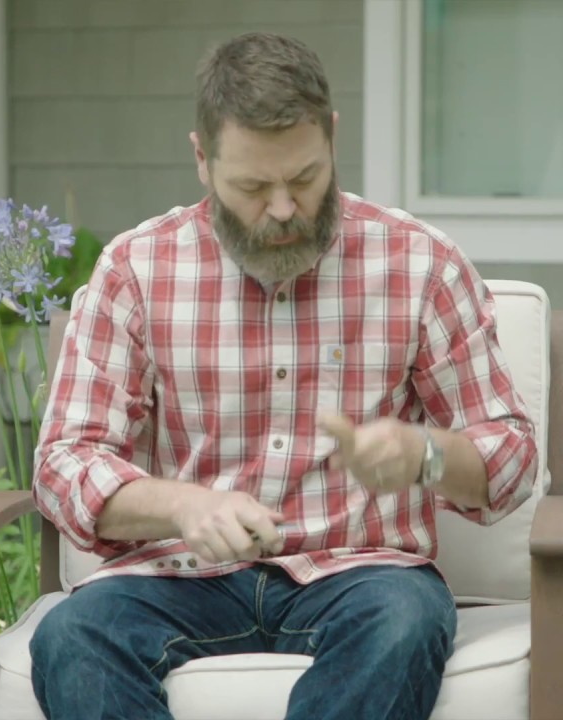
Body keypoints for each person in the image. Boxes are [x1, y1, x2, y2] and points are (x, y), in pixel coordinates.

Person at [29, 32, 538, 720]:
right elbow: (64, 463)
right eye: (252, 186)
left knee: (404, 622)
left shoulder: (422, 264)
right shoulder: (135, 270)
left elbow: (511, 460)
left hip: (364, 574)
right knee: (72, 636)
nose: (282, 209)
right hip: (182, 576)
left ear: (331, 137)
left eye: (304, 178)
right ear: (202, 160)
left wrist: (426, 455)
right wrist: (184, 506)